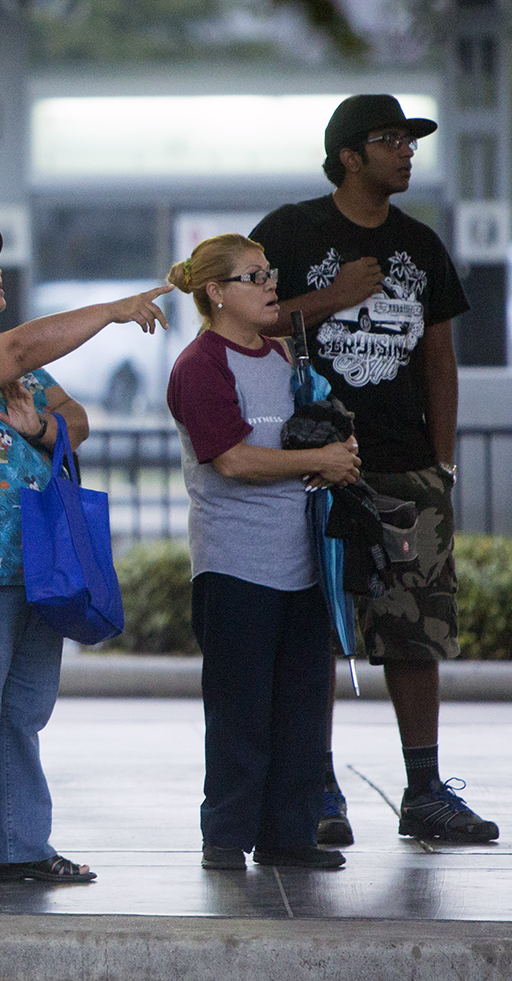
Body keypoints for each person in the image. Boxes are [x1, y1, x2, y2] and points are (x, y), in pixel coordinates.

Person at [251, 94, 497, 846]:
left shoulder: (421, 246)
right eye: (390, 140)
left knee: (414, 630)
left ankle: (423, 790)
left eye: (410, 140)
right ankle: (317, 785)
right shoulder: (292, 230)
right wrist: (333, 297)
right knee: (314, 631)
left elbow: (440, 358)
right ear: (349, 156)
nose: (407, 151)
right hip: (312, 464)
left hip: (405, 467)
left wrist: (442, 462)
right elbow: (246, 319)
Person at [0, 225, 168, 892]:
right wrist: (109, 310)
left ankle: (19, 844)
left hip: (35, 560)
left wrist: (39, 427)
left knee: (22, 710)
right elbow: (17, 346)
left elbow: (76, 418)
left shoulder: (14, 364)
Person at [165, 233, 363, 872]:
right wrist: (319, 460)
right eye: (254, 277)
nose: (270, 284)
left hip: (303, 561)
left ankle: (289, 834)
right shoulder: (200, 366)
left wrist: (340, 449)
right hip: (234, 563)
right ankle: (225, 835)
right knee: (239, 706)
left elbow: (316, 427)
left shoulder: (284, 356)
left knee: (302, 707)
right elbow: (231, 459)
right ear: (216, 293)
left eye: (270, 273)